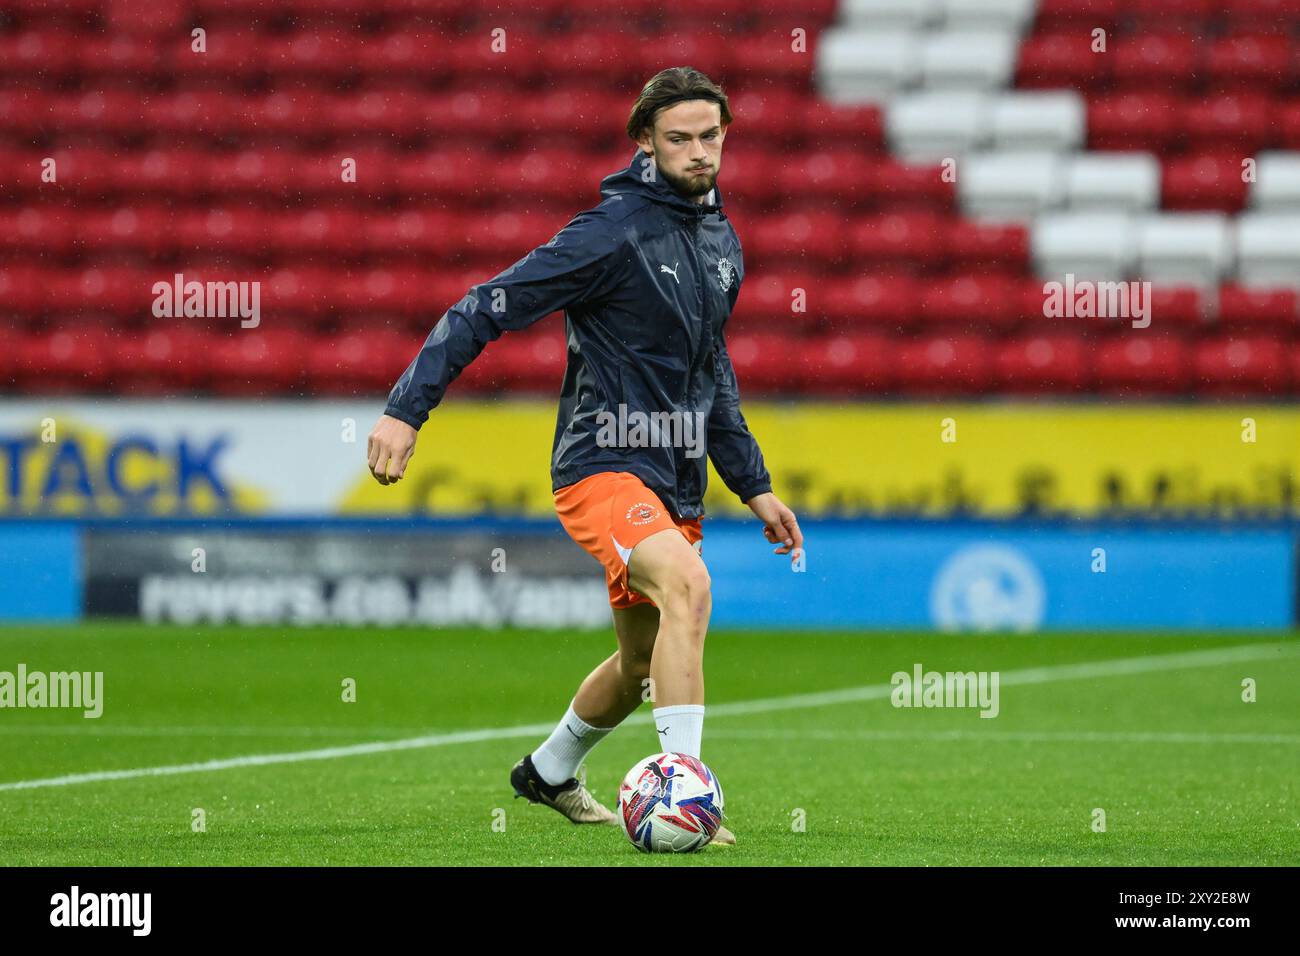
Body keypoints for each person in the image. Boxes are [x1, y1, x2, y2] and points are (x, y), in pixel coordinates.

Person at [367, 66, 803, 846]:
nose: (700, 151)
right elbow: (484, 306)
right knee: (689, 585)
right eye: (680, 138)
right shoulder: (610, 233)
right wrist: (406, 409)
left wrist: (755, 485)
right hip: (602, 460)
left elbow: (712, 372)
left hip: (676, 477)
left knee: (641, 666)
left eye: (711, 136)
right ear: (645, 141)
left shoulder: (720, 239)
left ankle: (548, 772)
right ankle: (683, 792)